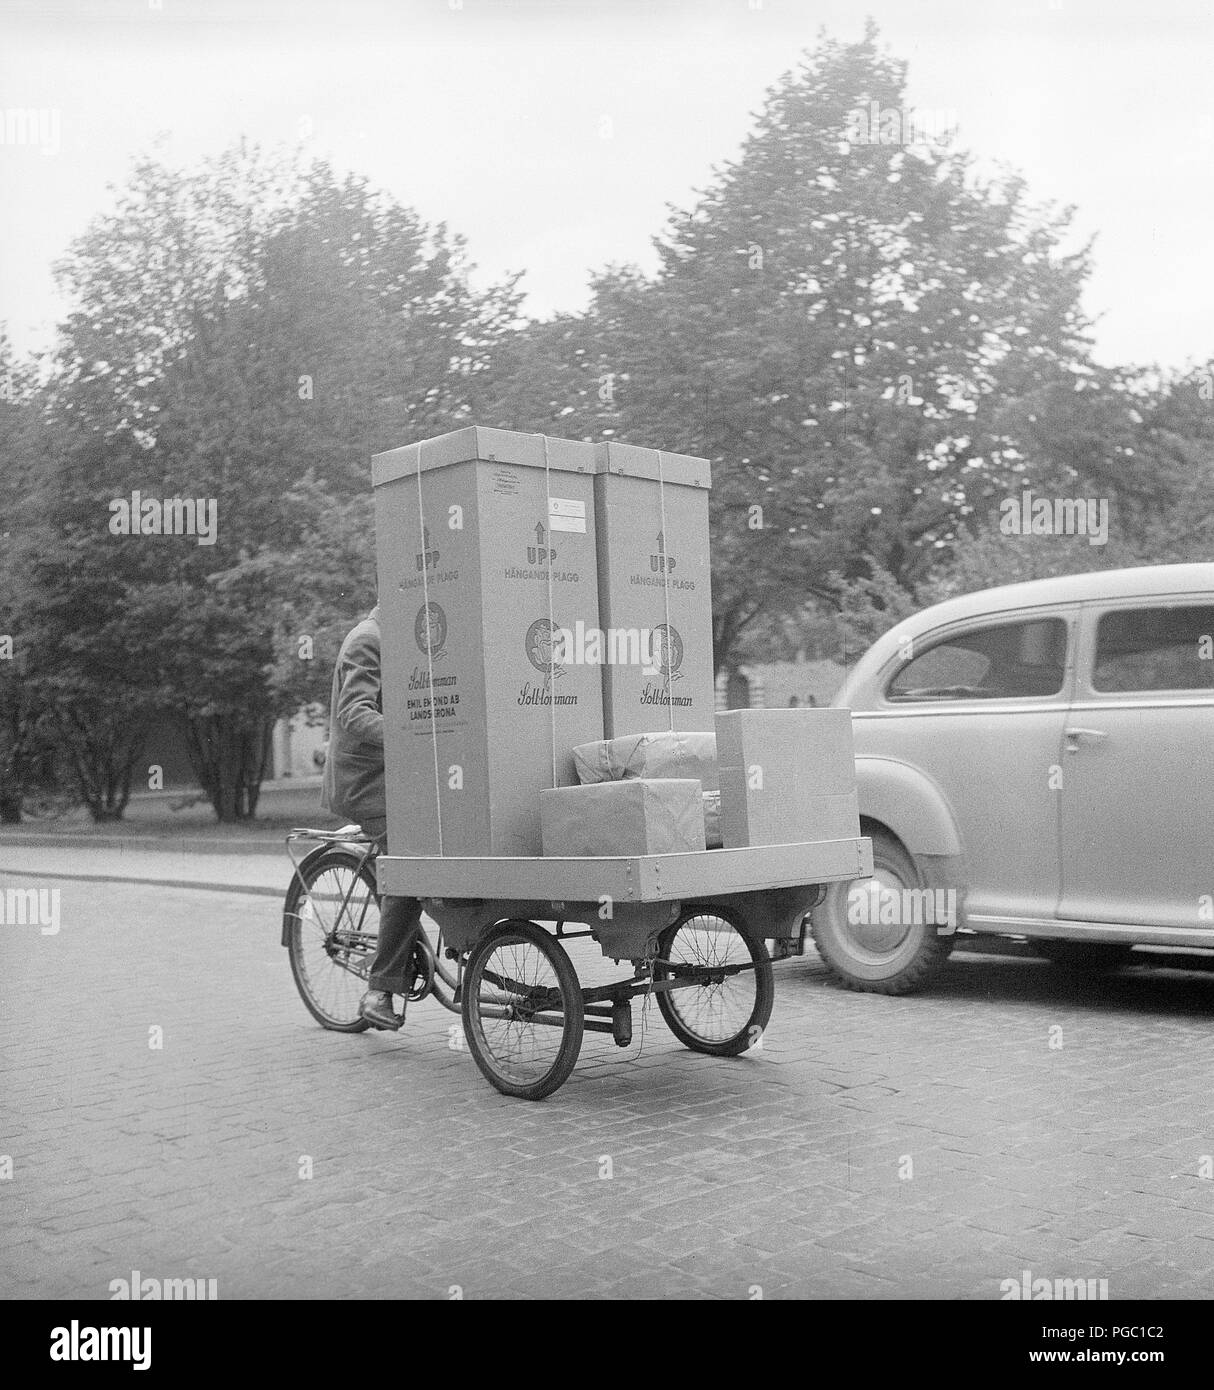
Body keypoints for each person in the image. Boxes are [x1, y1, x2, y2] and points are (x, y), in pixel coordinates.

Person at [320, 605, 423, 1032]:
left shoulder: (408, 641)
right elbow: (354, 712)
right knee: (408, 860)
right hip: (365, 783)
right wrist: (413, 737)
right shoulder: (368, 639)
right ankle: (379, 990)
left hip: (398, 778)